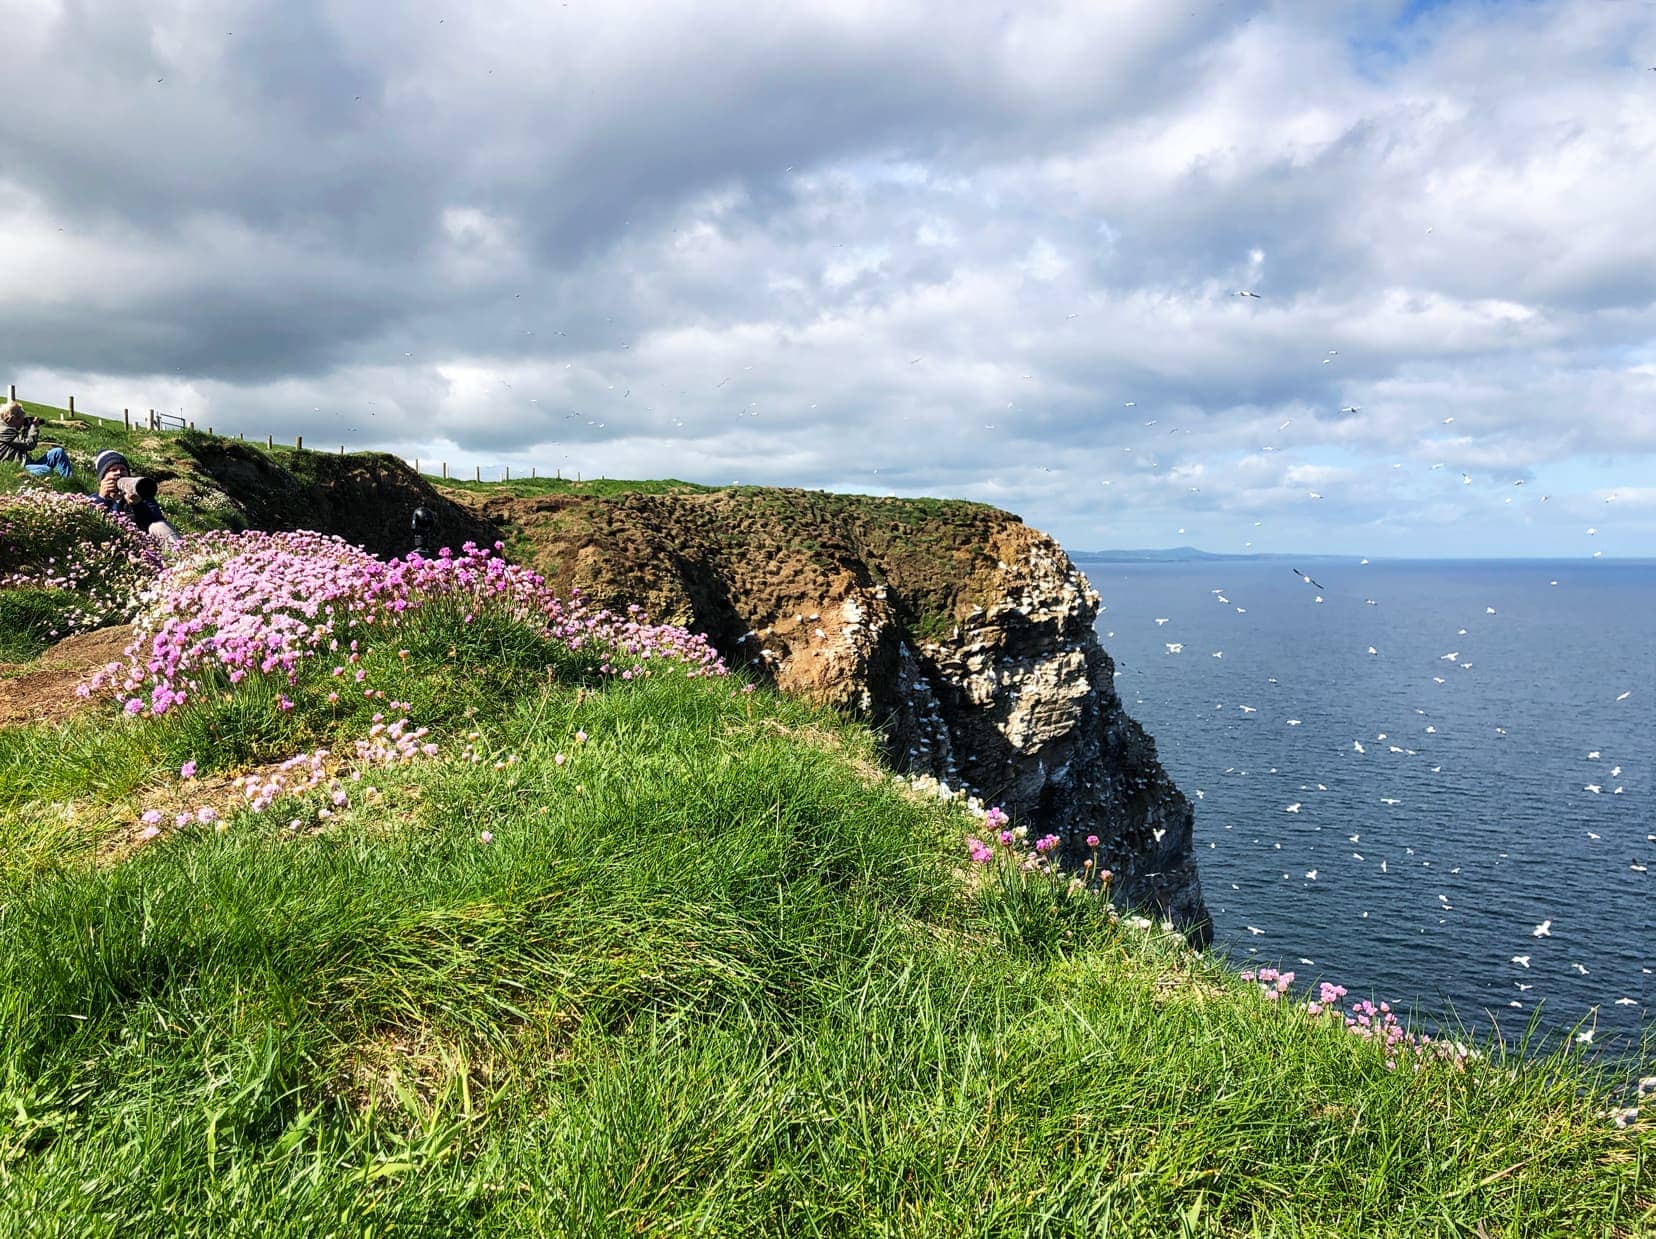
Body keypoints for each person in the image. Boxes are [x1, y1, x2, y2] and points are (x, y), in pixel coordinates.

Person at [91, 449, 182, 545]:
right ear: (102, 477)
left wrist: (137, 505)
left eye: (123, 469)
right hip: (108, 545)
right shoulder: (93, 499)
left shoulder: (141, 494)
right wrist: (102, 498)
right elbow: (91, 523)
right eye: (113, 470)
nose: (119, 473)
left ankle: (181, 554)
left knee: (160, 526)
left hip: (143, 545)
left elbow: (157, 518)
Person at [0, 400, 74, 478]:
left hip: (27, 464)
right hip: (18, 466)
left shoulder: (8, 428)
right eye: (22, 418)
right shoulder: (3, 431)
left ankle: (70, 482)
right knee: (45, 470)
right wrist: (33, 427)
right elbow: (29, 444)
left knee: (58, 452)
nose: (23, 421)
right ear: (12, 419)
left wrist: (27, 428)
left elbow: (21, 443)